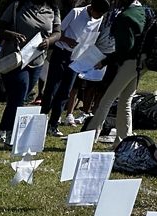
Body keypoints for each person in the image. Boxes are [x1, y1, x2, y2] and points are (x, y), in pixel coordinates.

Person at [0, 0, 57, 145]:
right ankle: (11, 132)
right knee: (20, 91)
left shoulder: (53, 9)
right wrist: (11, 34)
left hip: (37, 60)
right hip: (16, 58)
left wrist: (49, 41)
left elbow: (57, 32)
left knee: (20, 97)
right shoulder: (17, 5)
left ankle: (3, 129)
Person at [83, 0, 147, 145]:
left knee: (107, 99)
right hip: (143, 61)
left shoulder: (125, 16)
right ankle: (123, 139)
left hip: (131, 62)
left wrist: (105, 61)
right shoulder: (143, 10)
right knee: (125, 100)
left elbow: (125, 49)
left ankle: (88, 138)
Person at [41, 0, 108, 136]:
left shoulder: (99, 18)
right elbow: (58, 33)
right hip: (62, 53)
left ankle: (53, 124)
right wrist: (67, 40)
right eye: (97, 14)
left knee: (65, 91)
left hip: (78, 58)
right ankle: (41, 121)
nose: (98, 17)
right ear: (92, 8)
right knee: (52, 89)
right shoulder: (76, 13)